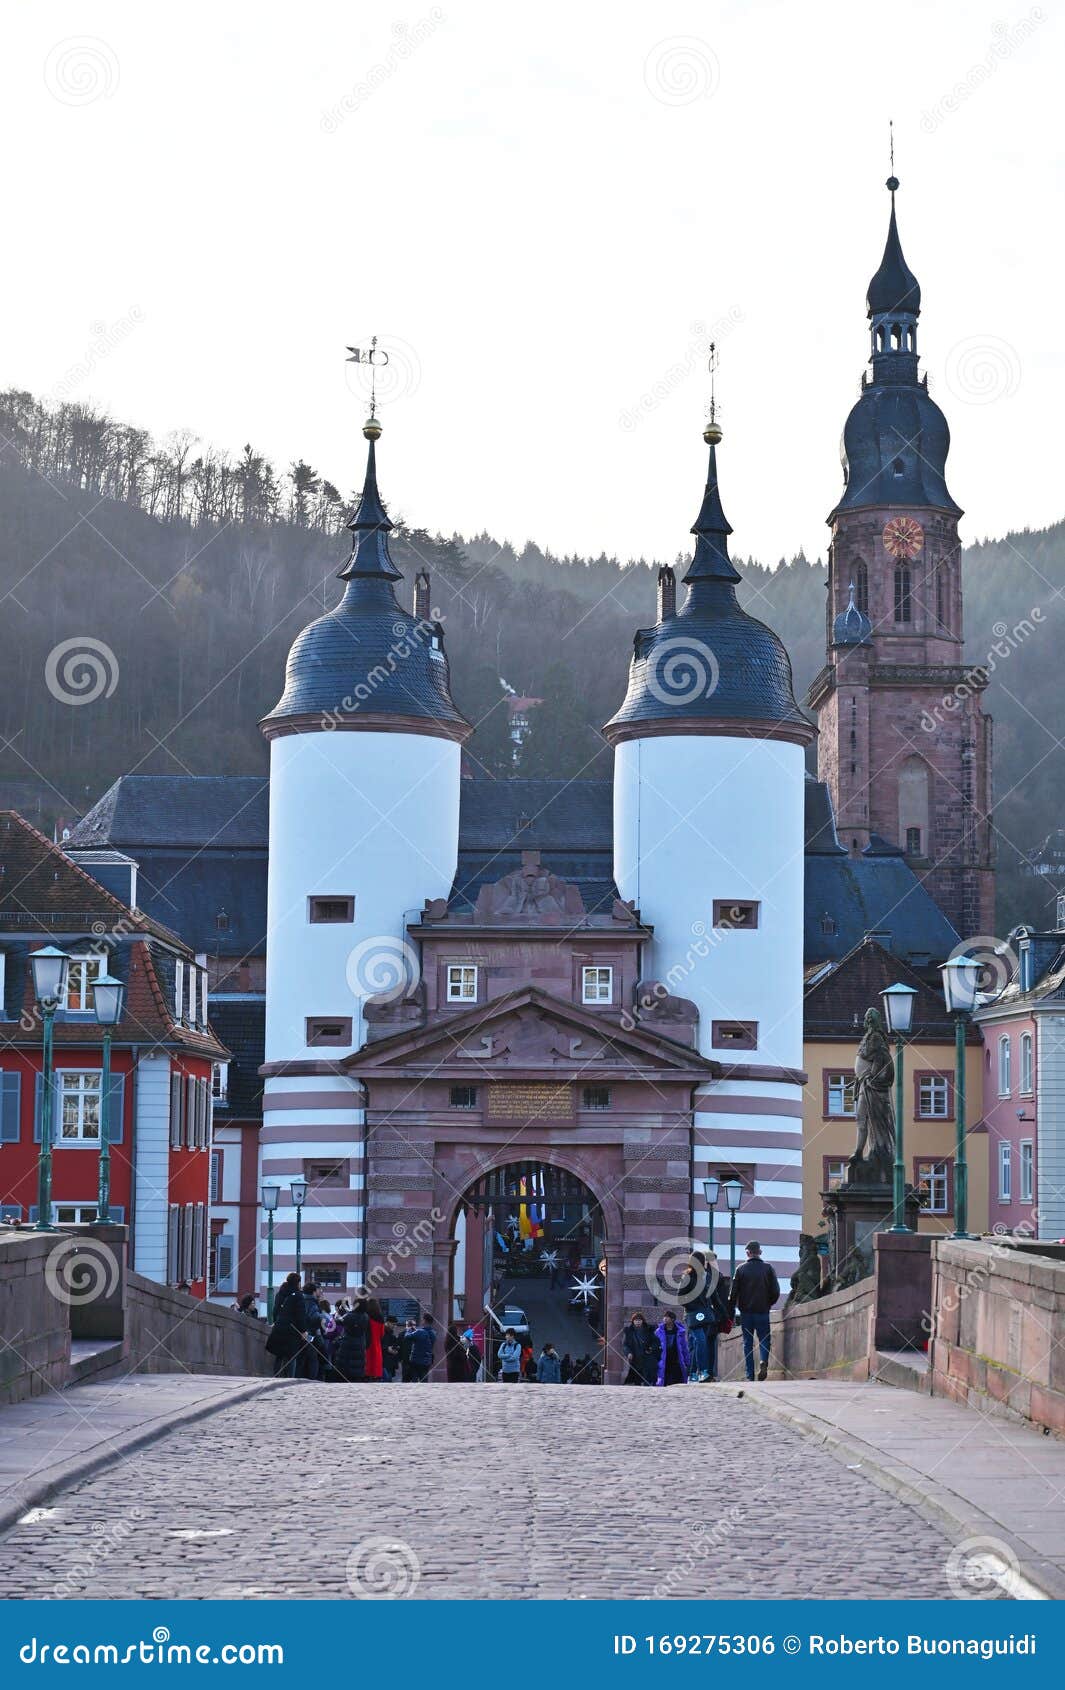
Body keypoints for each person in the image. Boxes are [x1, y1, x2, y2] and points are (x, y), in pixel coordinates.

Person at [730, 1240, 780, 1382]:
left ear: (748, 1253)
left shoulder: (740, 1269)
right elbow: (775, 1291)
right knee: (765, 1339)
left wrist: (732, 1310)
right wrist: (768, 1303)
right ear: (760, 1252)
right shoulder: (768, 1268)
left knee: (747, 1343)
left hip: (746, 1313)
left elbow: (733, 1293)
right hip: (763, 1311)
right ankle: (763, 1360)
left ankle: (750, 1374)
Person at [265, 1273, 306, 1377]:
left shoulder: (280, 1294)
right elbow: (300, 1315)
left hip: (279, 1327)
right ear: (298, 1283)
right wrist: (303, 1330)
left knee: (279, 1354)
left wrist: (277, 1321)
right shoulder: (298, 1296)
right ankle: (289, 1378)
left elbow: (275, 1310)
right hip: (292, 1329)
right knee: (292, 1356)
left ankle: (276, 1377)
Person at [334, 1299, 370, 1382]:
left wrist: (338, 1312)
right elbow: (351, 1314)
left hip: (348, 1346)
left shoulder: (350, 1316)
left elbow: (336, 1321)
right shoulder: (365, 1316)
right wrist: (347, 1309)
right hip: (360, 1345)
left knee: (345, 1373)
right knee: (356, 1371)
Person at [622, 1311, 659, 1385]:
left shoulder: (648, 1330)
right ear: (633, 1321)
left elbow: (656, 1342)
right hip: (635, 1359)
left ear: (642, 1321)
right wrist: (628, 1353)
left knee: (647, 1379)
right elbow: (625, 1345)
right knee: (636, 1380)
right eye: (636, 1320)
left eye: (639, 1320)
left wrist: (651, 1348)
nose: (638, 1322)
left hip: (647, 1358)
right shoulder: (629, 1332)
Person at [654, 1309, 689, 1386]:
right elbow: (655, 1345)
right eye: (664, 1317)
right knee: (664, 1377)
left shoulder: (680, 1331)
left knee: (677, 1377)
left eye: (667, 1317)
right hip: (664, 1357)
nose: (665, 1319)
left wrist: (687, 1361)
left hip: (676, 1357)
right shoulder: (658, 1331)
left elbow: (684, 1346)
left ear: (672, 1319)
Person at [407, 1312, 435, 1382]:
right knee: (424, 1380)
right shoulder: (433, 1332)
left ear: (425, 1320)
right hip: (427, 1360)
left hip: (416, 1360)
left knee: (414, 1379)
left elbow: (407, 1337)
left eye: (422, 1319)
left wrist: (409, 1329)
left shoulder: (420, 1332)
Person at [381, 1316, 402, 1381]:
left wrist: (396, 1350)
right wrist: (387, 1349)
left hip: (389, 1365)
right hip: (383, 1363)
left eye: (395, 1325)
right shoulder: (381, 1332)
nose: (394, 1326)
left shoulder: (392, 1335)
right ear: (387, 1323)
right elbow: (378, 1345)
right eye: (393, 1324)